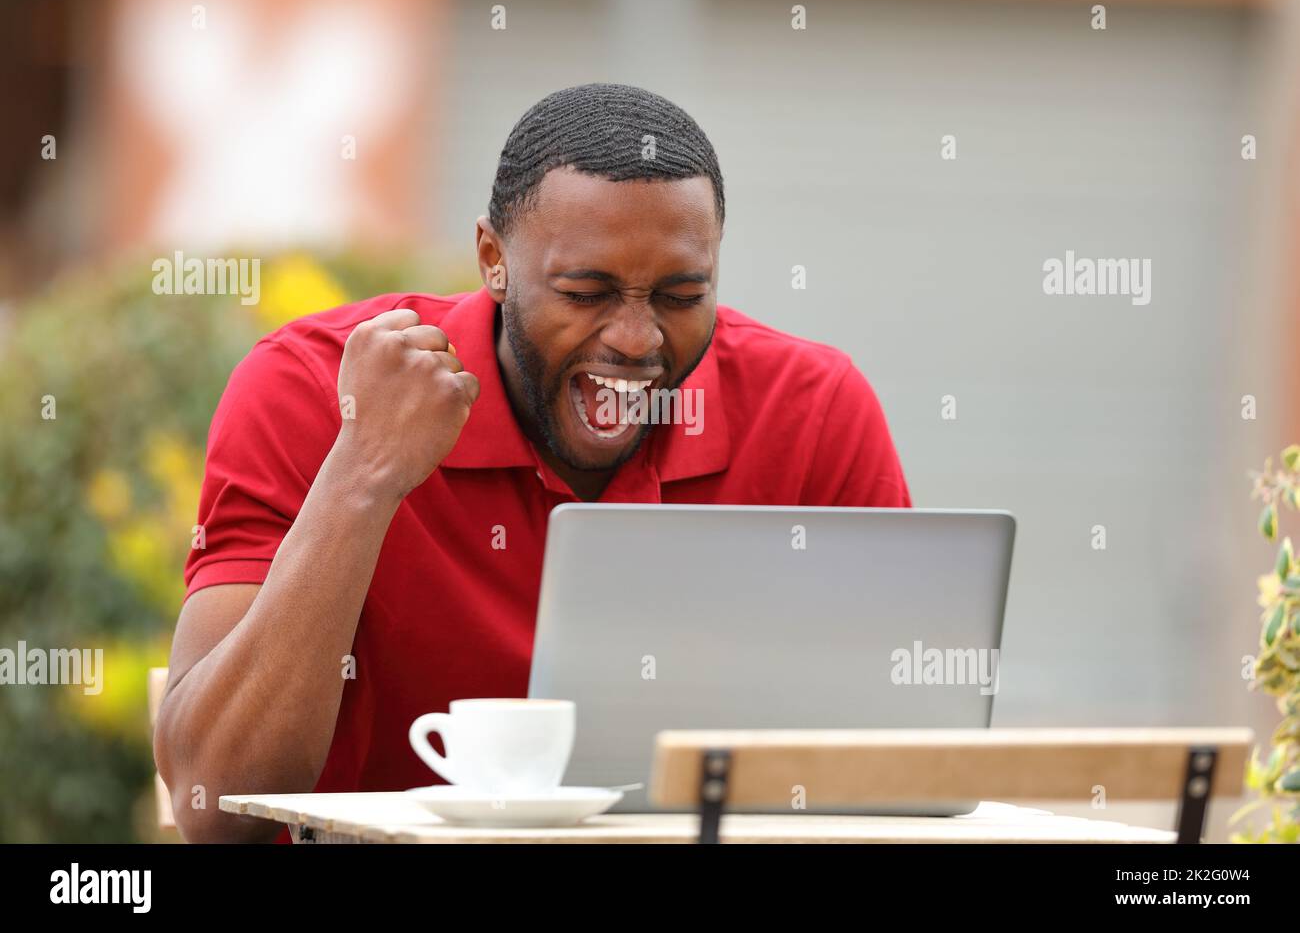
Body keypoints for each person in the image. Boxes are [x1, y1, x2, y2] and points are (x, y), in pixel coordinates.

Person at [153, 83, 911, 842]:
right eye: (588, 291)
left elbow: (898, 762)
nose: (638, 339)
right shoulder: (311, 391)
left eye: (681, 295)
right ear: (492, 259)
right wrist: (363, 475)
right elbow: (212, 808)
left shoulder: (811, 410)